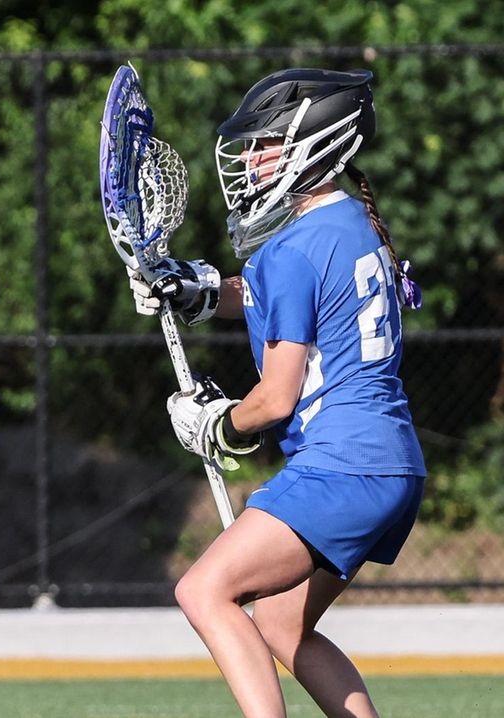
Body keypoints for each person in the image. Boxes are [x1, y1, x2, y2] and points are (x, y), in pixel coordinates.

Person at [131, 69, 425, 717]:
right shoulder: (352, 227)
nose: (251, 162)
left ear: (314, 144)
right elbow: (276, 293)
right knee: (282, 627)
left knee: (203, 591)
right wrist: (200, 290)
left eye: (265, 146)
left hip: (340, 466)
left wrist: (217, 425)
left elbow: (275, 399)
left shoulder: (294, 247)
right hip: (393, 462)